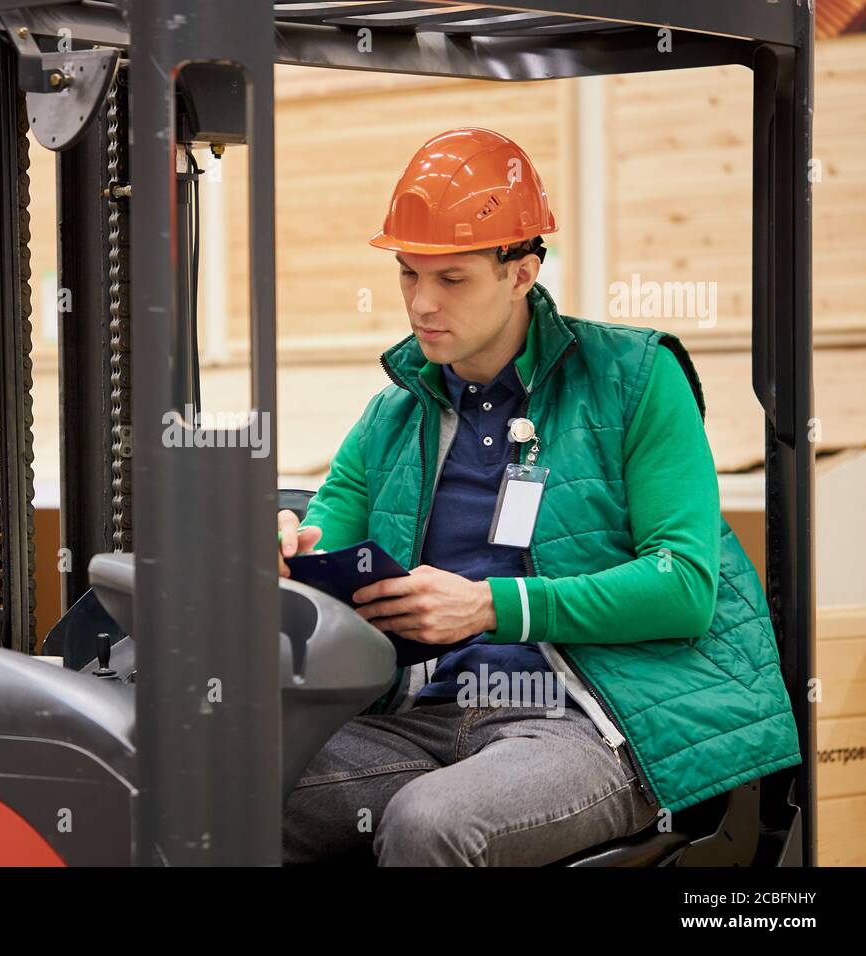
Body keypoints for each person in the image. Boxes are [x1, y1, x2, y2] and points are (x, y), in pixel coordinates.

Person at [277, 127, 801, 866]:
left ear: (522, 271)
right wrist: (290, 548)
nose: (421, 303)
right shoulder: (392, 415)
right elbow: (328, 534)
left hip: (585, 723)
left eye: (451, 279)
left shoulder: (637, 378)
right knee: (217, 786)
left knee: (431, 824)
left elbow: (683, 586)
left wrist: (492, 605)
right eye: (406, 274)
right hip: (424, 717)